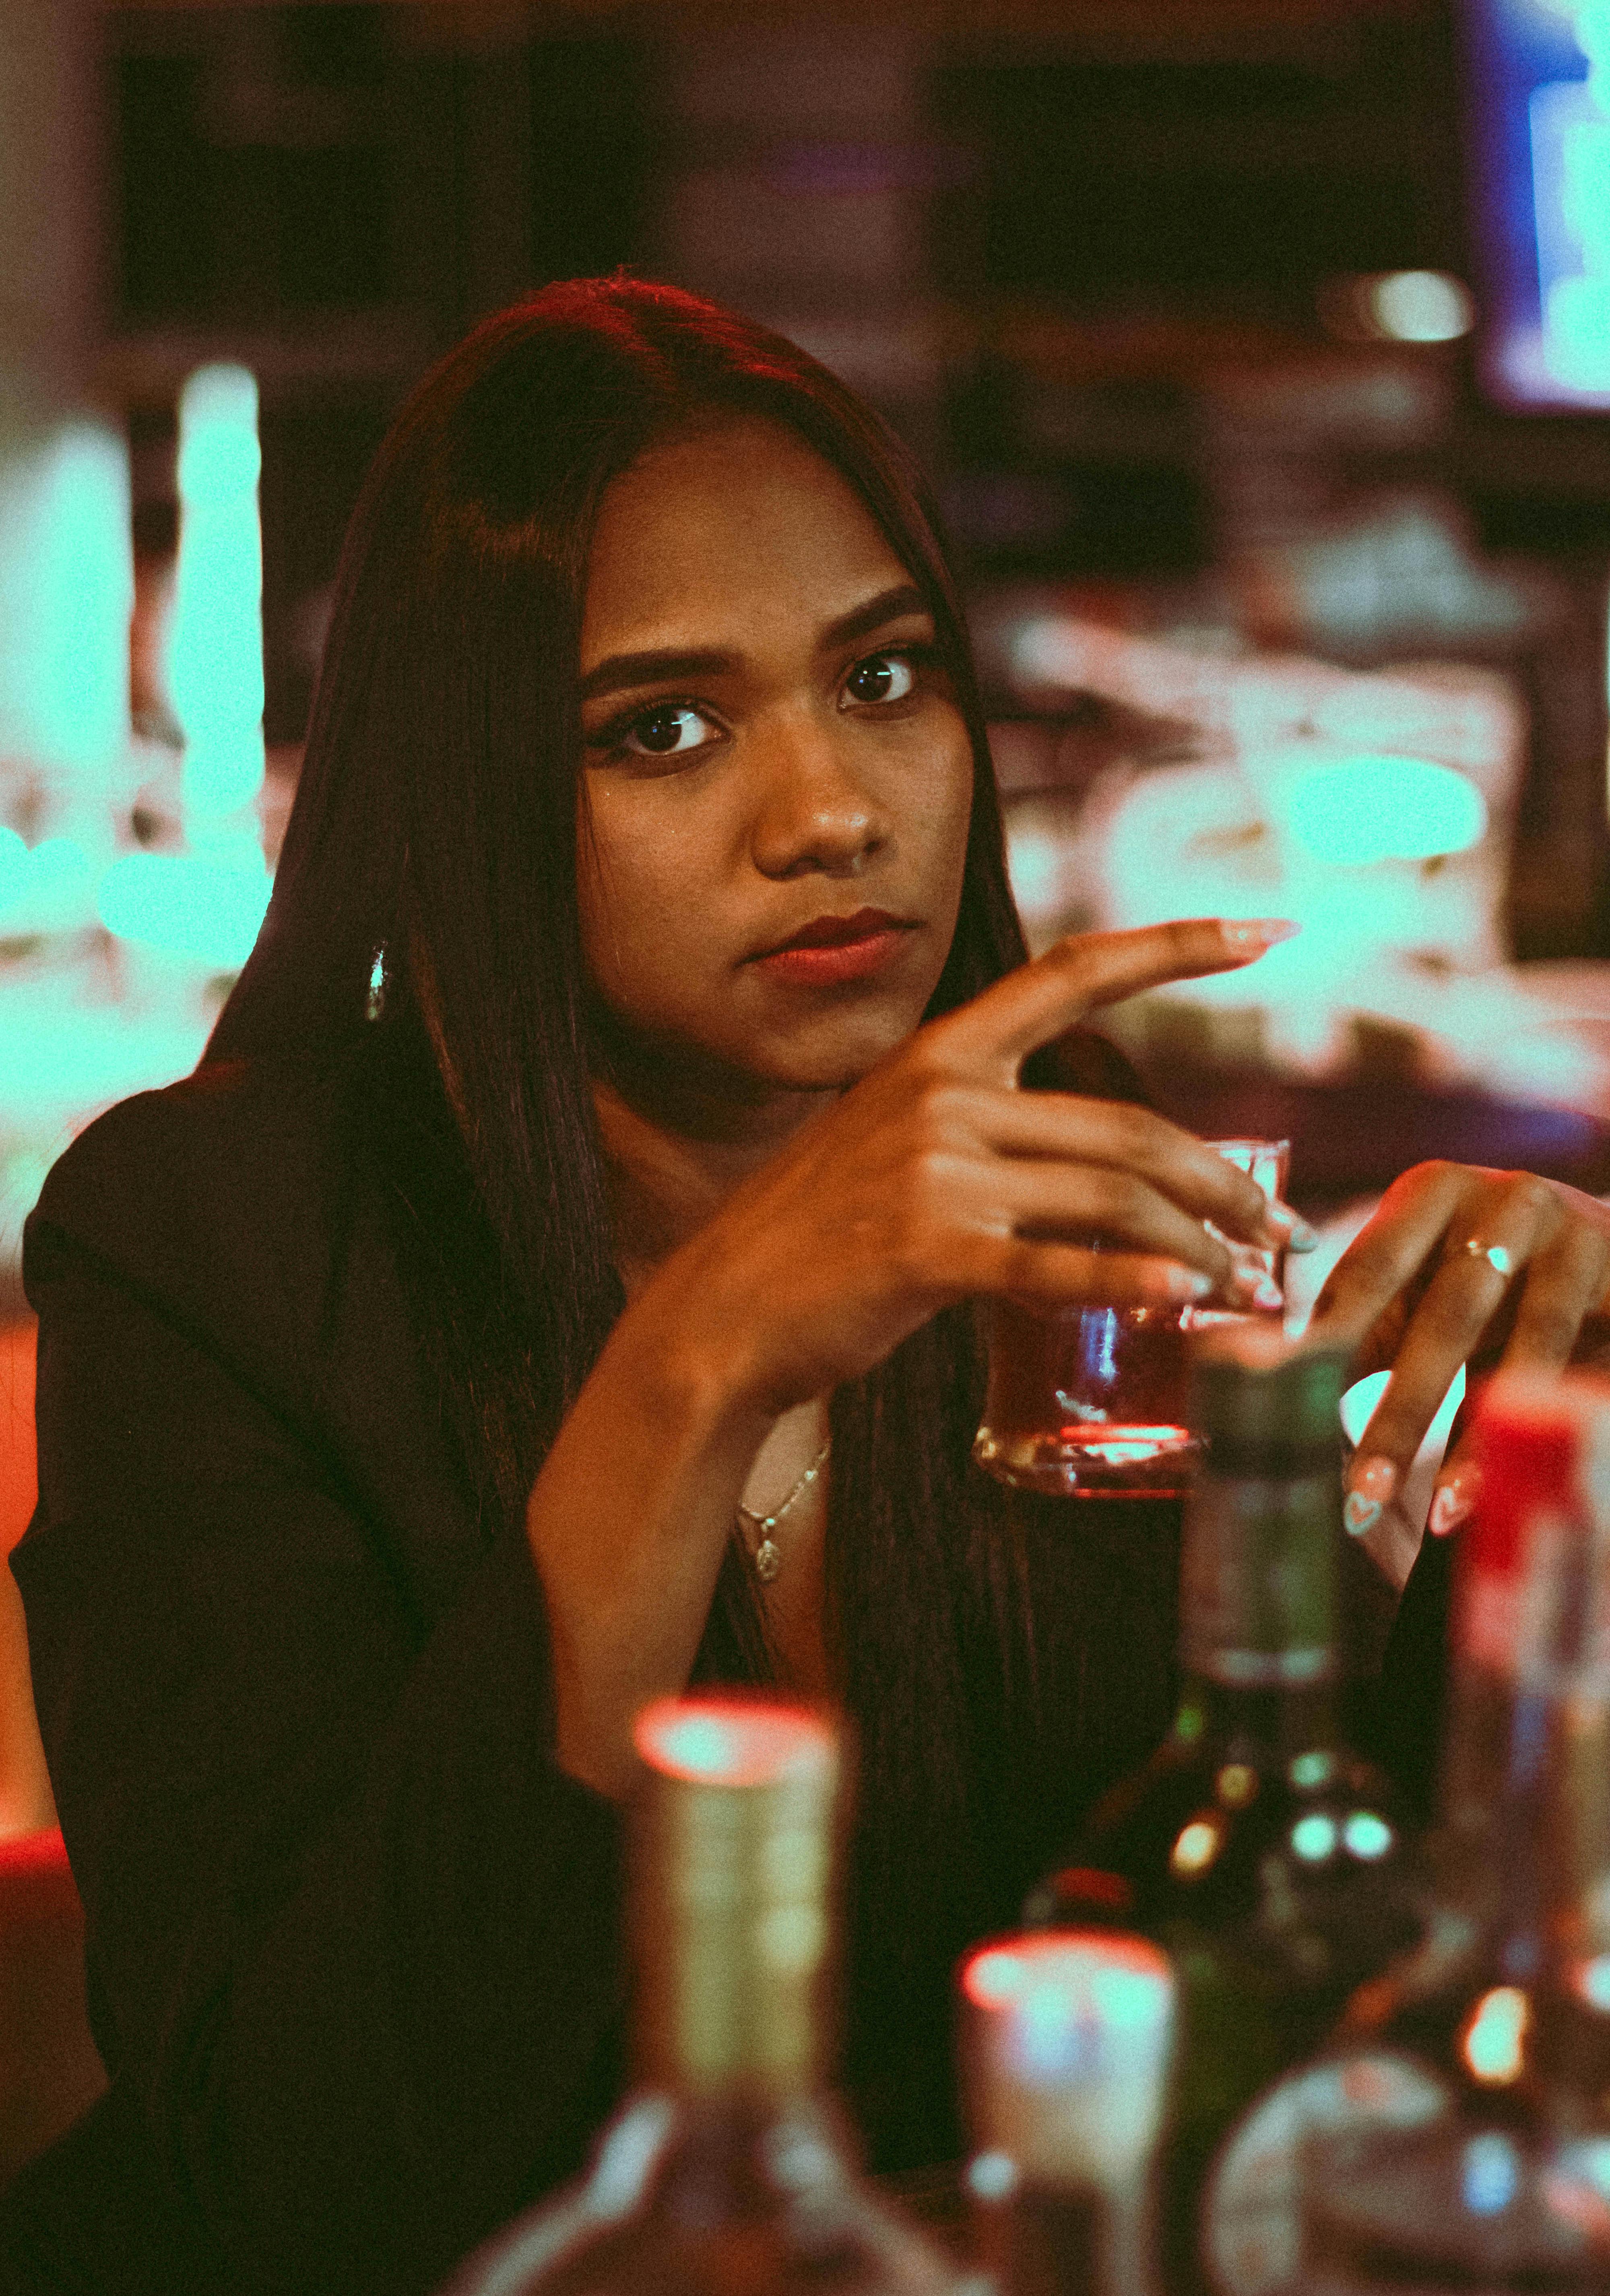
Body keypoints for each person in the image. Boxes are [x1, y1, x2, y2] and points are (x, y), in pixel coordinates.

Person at [8, 278, 1610, 2296]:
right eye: (661, 728)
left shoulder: (1074, 1203)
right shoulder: (221, 1239)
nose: (831, 813)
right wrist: (702, 1361)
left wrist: (1544, 1472)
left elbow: (1351, 2007)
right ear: (468, 786)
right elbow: (314, 2175)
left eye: (882, 680)